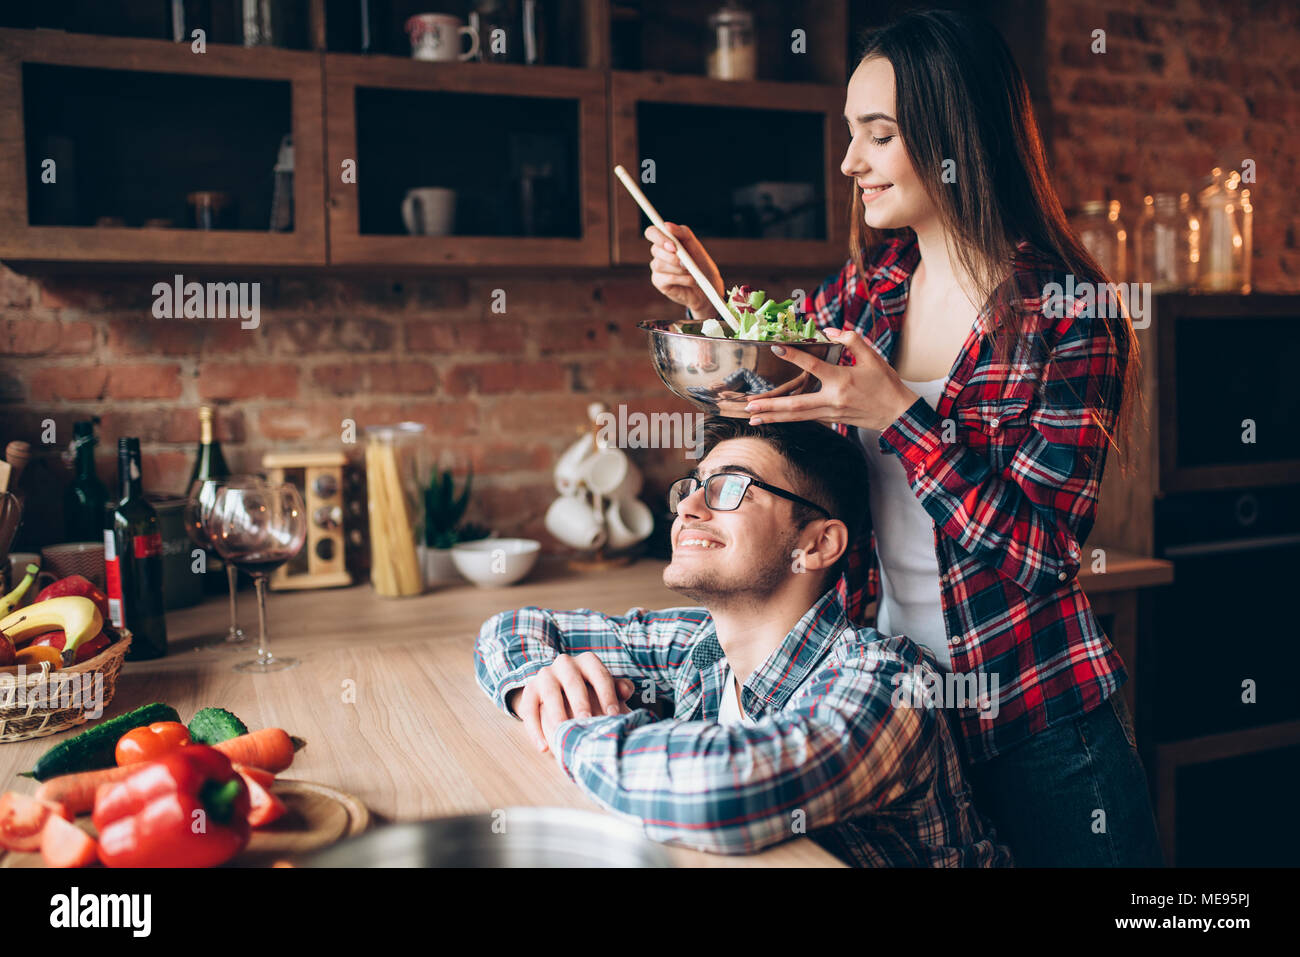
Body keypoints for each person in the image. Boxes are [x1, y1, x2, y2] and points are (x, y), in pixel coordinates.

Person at [644, 10, 1162, 867]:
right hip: (898, 715)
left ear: (956, 137)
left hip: (1040, 729)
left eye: (877, 136)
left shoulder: (1071, 314)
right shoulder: (871, 288)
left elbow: (1041, 554)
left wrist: (899, 418)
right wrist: (704, 298)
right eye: (852, 134)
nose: (850, 162)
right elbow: (760, 377)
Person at [475, 416, 1011, 866]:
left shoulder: (890, 681)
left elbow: (728, 792)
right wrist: (537, 686)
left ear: (817, 543)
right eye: (692, 486)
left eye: (729, 487)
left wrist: (573, 726)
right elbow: (510, 629)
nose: (686, 508)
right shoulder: (695, 644)